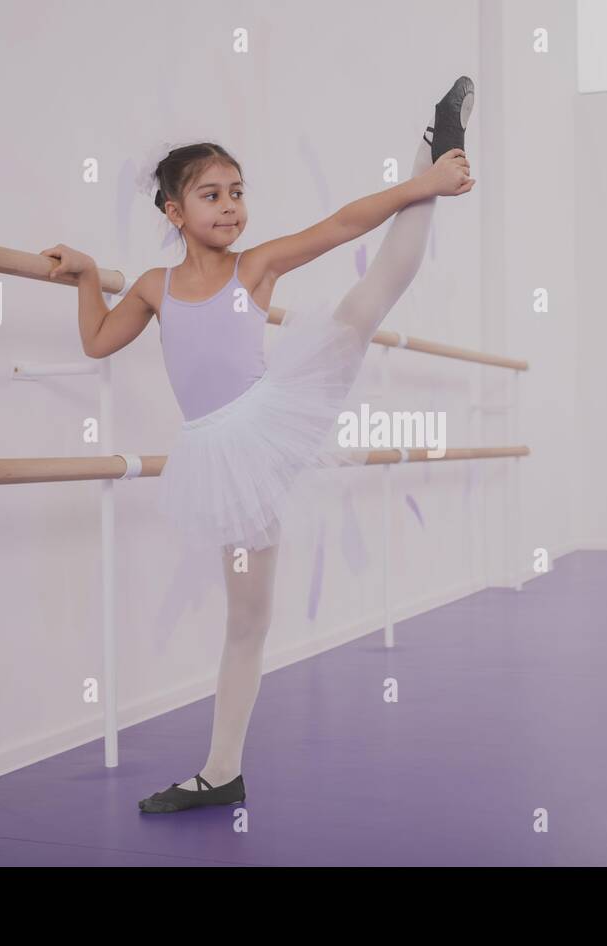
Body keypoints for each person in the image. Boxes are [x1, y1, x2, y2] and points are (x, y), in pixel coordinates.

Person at [39, 76, 475, 812]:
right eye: (211, 194)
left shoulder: (255, 266)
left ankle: (436, 150)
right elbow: (96, 341)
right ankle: (221, 770)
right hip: (224, 458)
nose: (231, 206)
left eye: (237, 191)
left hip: (278, 409)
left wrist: (421, 183)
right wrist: (85, 274)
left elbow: (341, 225)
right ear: (175, 211)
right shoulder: (153, 287)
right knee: (249, 620)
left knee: (368, 300)